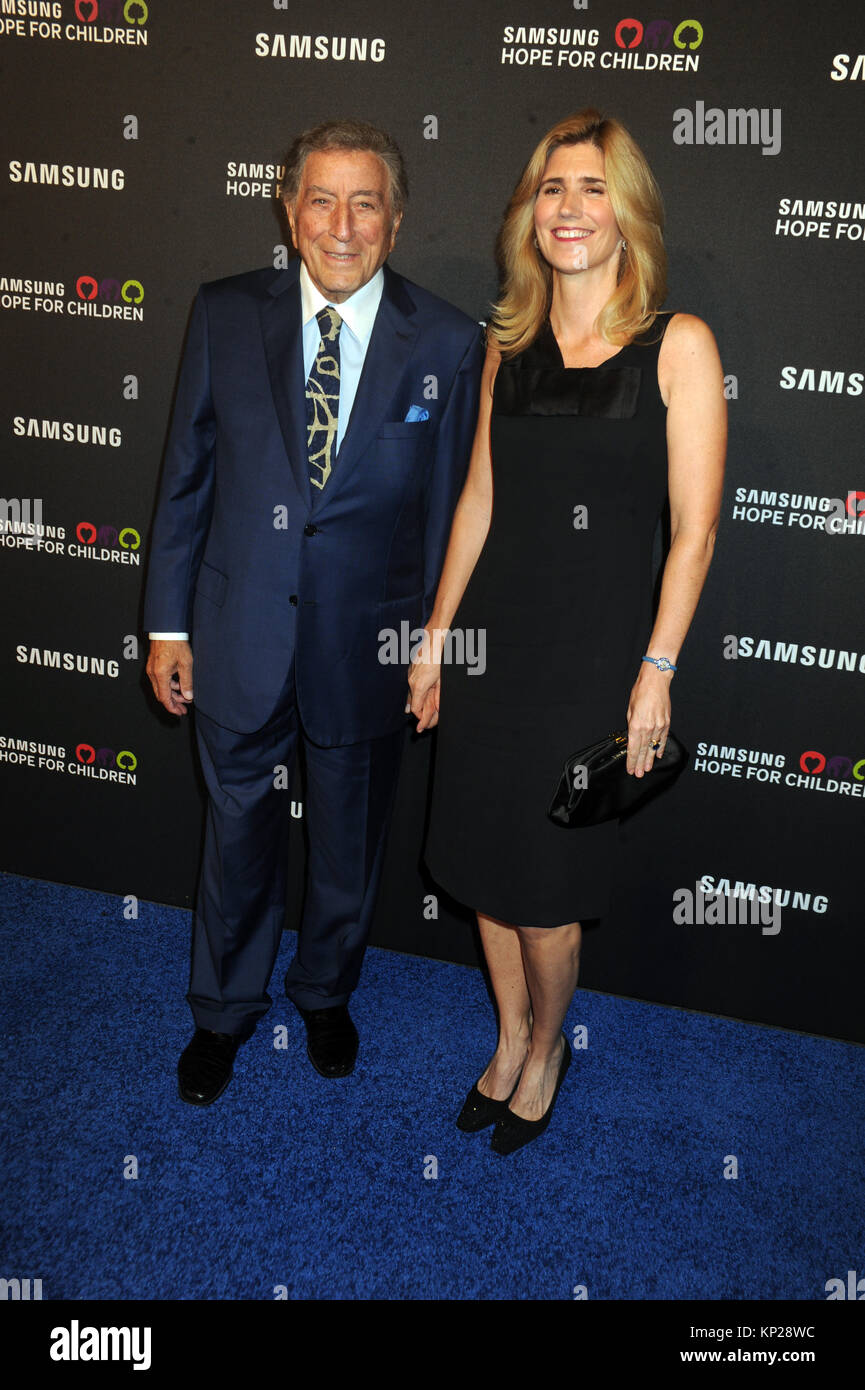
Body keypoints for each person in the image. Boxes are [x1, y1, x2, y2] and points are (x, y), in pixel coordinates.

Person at [144, 119, 483, 1105]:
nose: (342, 225)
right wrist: (167, 623)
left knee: (348, 844)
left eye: (364, 201)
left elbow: (458, 512)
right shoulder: (220, 314)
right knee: (235, 839)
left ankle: (326, 989)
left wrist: (434, 649)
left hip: (366, 648)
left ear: (396, 218)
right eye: (321, 200)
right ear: (288, 211)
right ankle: (223, 1011)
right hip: (236, 633)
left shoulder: (452, 342)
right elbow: (184, 481)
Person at [408, 109, 726, 1155]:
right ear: (529, 213)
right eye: (552, 188)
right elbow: (477, 506)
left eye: (591, 188)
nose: (569, 209)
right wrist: (438, 638)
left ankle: (549, 1045)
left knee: (544, 895)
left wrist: (656, 671)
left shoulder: (675, 345)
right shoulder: (509, 348)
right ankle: (505, 1036)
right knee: (481, 869)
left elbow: (693, 531)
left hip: (592, 663)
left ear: (625, 209)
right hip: (495, 648)